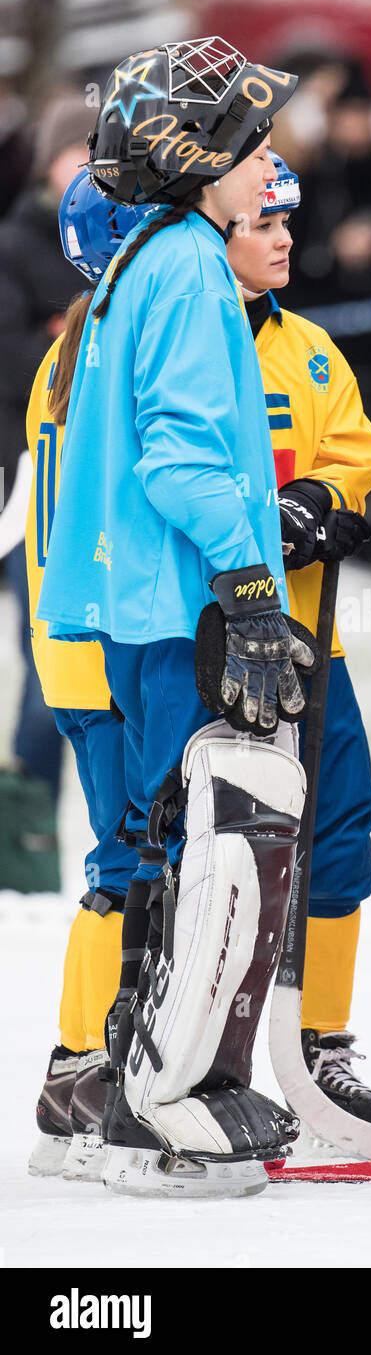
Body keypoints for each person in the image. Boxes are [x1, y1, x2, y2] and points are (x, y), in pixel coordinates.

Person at [37, 38, 314, 1199]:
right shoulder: (193, 264)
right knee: (216, 845)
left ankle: (127, 1090)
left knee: (162, 842)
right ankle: (162, 1102)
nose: (270, 170)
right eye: (253, 147)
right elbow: (188, 458)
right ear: (196, 161)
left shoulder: (140, 258)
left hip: (135, 603)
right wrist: (250, 592)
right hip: (178, 599)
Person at [225, 154, 371, 1128]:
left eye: (289, 220)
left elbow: (354, 450)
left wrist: (322, 500)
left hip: (308, 641)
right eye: (265, 222)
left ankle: (319, 1039)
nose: (287, 237)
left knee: (339, 824)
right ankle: (209, 1044)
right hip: (210, 637)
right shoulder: (188, 347)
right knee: (220, 842)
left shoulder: (314, 350)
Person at [28, 174, 160, 1181]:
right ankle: (78, 1062)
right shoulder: (105, 347)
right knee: (123, 861)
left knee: (122, 853)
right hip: (100, 644)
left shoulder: (65, 345)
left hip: (65, 640)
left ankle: (85, 1056)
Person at [0, 94, 93, 884]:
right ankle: (23, 823)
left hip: (81, 487)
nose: (90, 172)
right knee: (40, 655)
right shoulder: (15, 244)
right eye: (77, 157)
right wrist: (57, 342)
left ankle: (41, 832)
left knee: (64, 656)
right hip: (21, 484)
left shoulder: (101, 243)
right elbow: (11, 363)